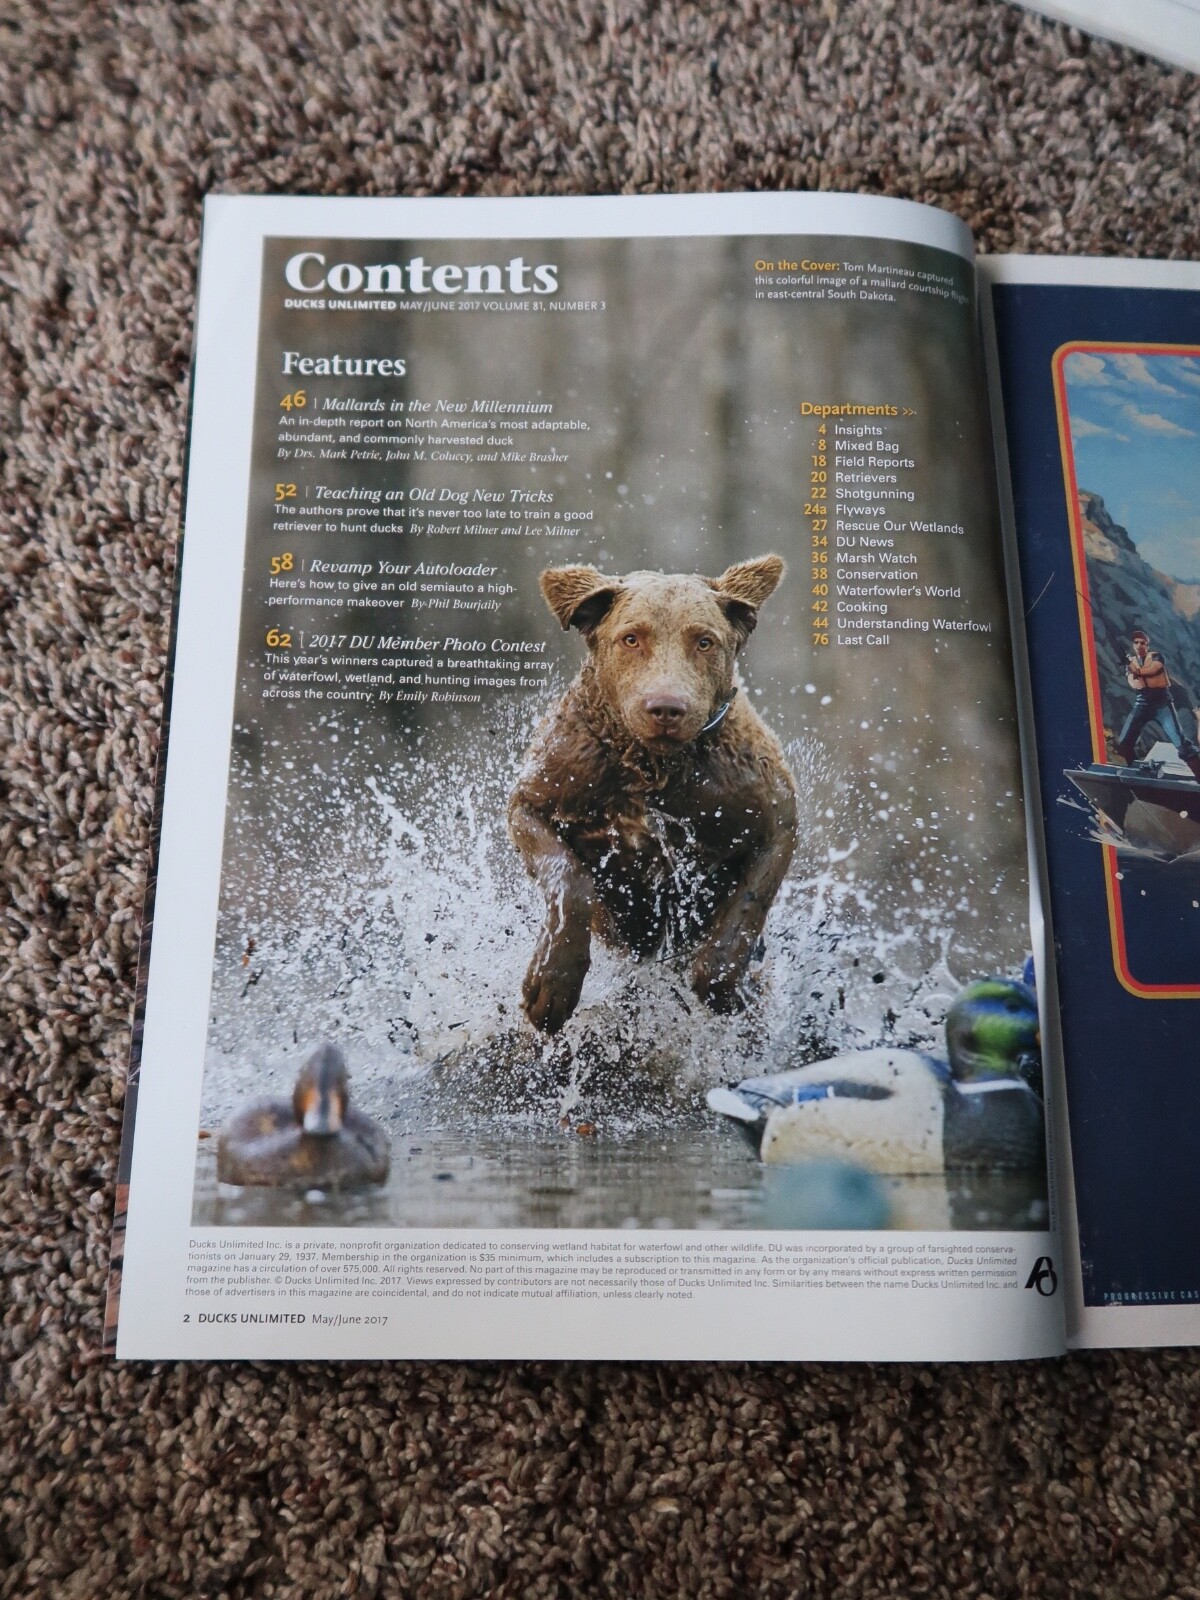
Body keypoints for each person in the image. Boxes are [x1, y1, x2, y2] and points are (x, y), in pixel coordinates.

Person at [1116, 629, 1200, 781]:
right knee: (1124, 744)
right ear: (1133, 645)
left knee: (1182, 745)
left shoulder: (1156, 656)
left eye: (1142, 643)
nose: (1139, 645)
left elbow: (1154, 669)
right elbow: (1136, 684)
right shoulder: (1131, 664)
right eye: (1136, 642)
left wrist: (1137, 670)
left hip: (1163, 705)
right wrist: (1131, 671)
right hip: (1143, 703)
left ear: (1147, 645)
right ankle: (1136, 776)